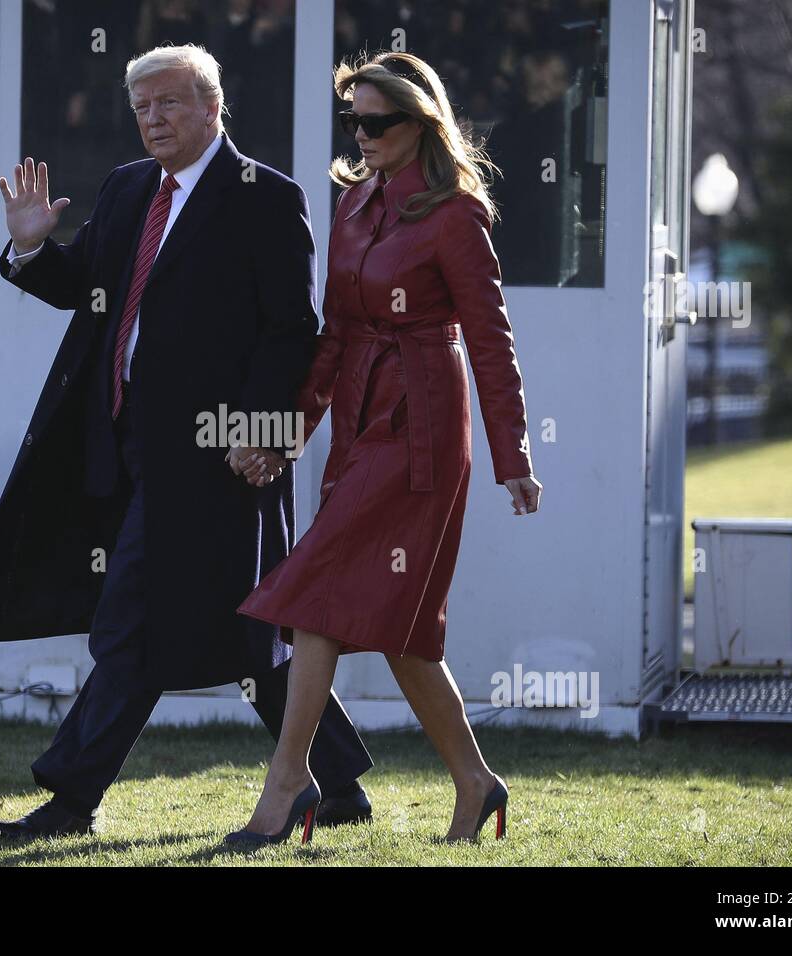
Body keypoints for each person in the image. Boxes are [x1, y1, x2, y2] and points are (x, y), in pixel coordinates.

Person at [0, 43, 374, 840]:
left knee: (134, 618)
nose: (153, 119)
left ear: (213, 107)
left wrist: (260, 432)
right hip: (123, 440)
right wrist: (35, 246)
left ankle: (70, 797)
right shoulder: (126, 186)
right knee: (245, 622)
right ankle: (338, 779)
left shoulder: (264, 196)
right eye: (141, 106)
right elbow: (86, 290)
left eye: (169, 103)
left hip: (221, 451)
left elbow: (293, 331)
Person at [228, 51, 543, 847]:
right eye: (354, 122)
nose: (362, 135)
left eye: (379, 122)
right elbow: (335, 336)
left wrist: (515, 458)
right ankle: (476, 782)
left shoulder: (455, 212)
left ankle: (290, 779)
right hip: (359, 421)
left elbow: (491, 341)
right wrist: (285, 436)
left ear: (420, 123)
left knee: (314, 589)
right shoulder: (357, 201)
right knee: (399, 629)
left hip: (423, 432)